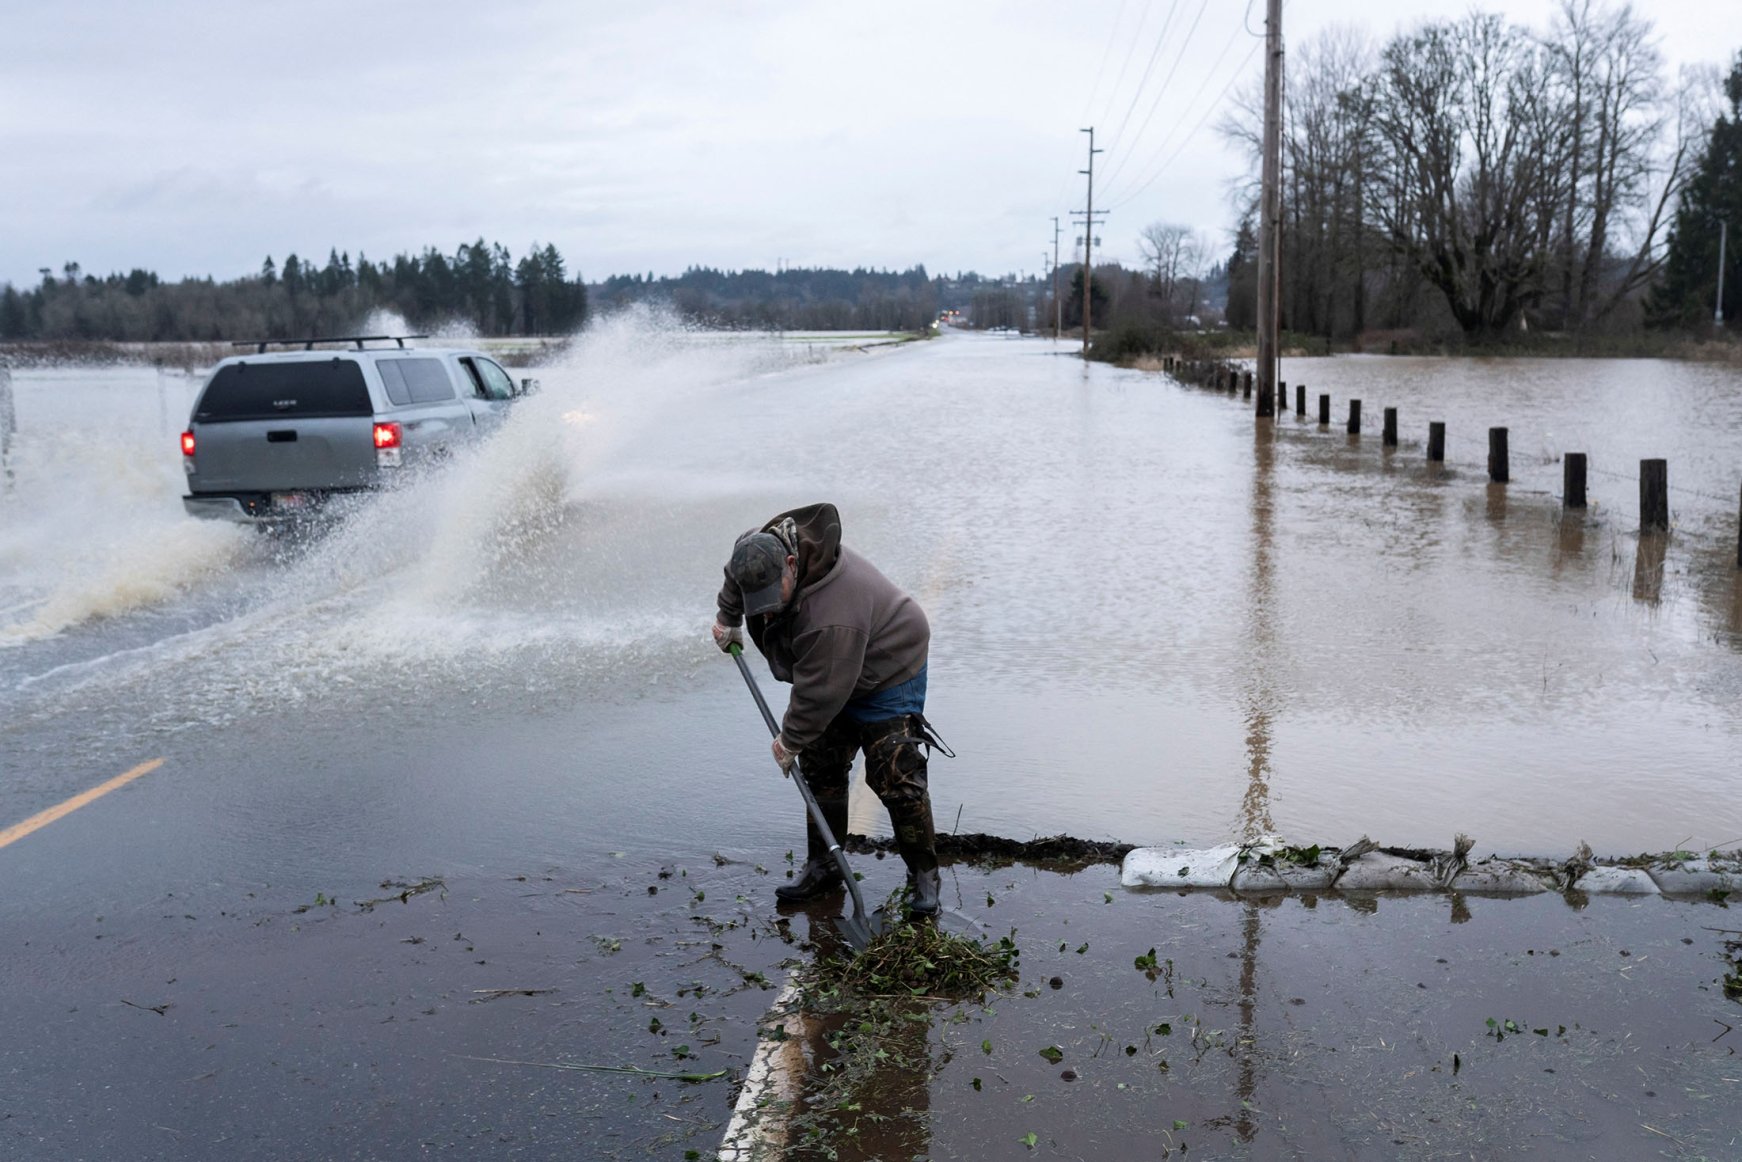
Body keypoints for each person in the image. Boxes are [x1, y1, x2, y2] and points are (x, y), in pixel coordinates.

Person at [712, 502, 946, 916]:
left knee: (896, 774)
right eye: (756, 602)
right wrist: (728, 615)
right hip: (836, 664)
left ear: (790, 564)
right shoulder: (757, 550)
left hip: (888, 667)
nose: (764, 610)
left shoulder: (830, 614)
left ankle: (923, 875)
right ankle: (824, 868)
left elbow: (820, 692)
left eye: (770, 597)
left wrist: (790, 740)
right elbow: (737, 572)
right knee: (821, 768)